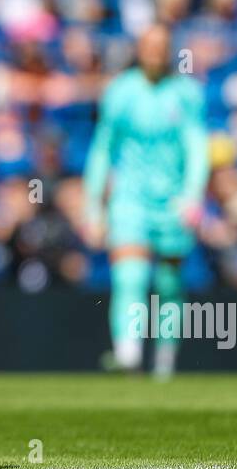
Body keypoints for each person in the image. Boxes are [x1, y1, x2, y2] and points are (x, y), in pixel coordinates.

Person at [83, 23, 209, 379]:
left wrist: (192, 196)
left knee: (169, 284)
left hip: (172, 202)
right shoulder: (120, 92)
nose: (155, 52)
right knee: (130, 276)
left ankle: (165, 363)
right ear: (139, 49)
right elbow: (102, 150)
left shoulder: (186, 93)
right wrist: (93, 206)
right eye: (148, 45)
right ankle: (129, 354)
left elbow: (197, 148)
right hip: (130, 200)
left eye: (161, 46)